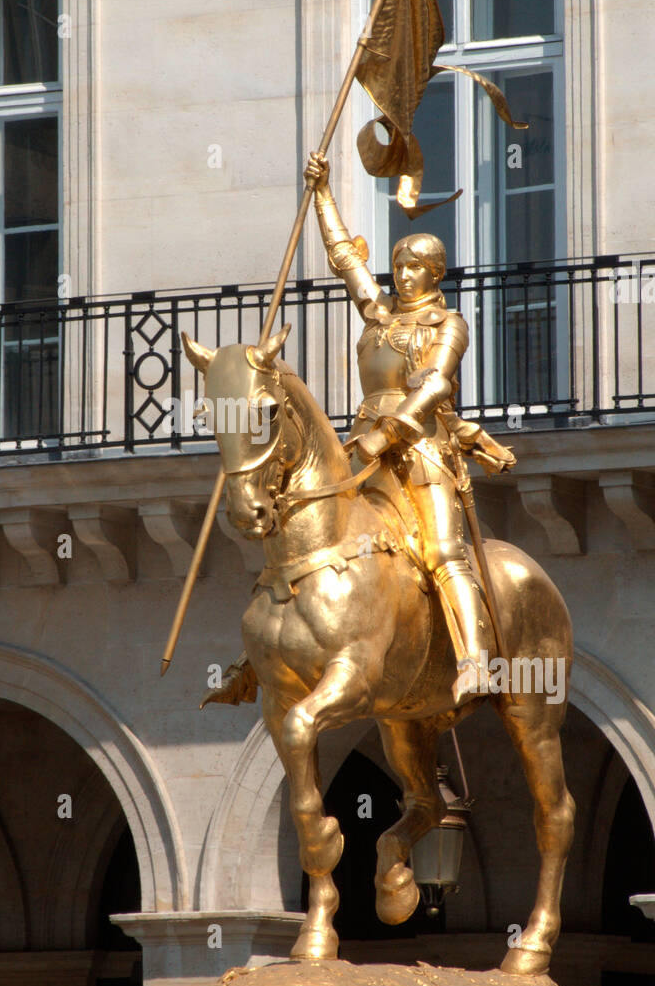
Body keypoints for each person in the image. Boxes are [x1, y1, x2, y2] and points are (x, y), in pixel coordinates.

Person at [205, 153, 514, 710]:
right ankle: (258, 658)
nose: (403, 272)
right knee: (307, 534)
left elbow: (436, 388)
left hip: (421, 451)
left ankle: (473, 661)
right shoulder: (379, 318)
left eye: (415, 265)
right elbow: (346, 259)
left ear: (435, 273)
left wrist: (386, 435)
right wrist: (321, 193)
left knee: (444, 552)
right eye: (399, 263)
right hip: (362, 446)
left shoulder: (448, 325)